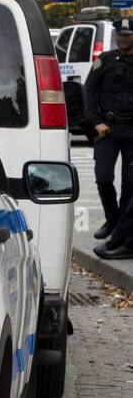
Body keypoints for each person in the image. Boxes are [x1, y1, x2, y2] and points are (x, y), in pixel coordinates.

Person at [83, 17, 133, 248]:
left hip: (131, 130)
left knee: (130, 186)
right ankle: (112, 220)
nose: (122, 38)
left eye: (127, 35)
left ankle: (120, 231)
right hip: (107, 130)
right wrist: (96, 122)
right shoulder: (105, 60)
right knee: (103, 178)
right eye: (119, 34)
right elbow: (89, 91)